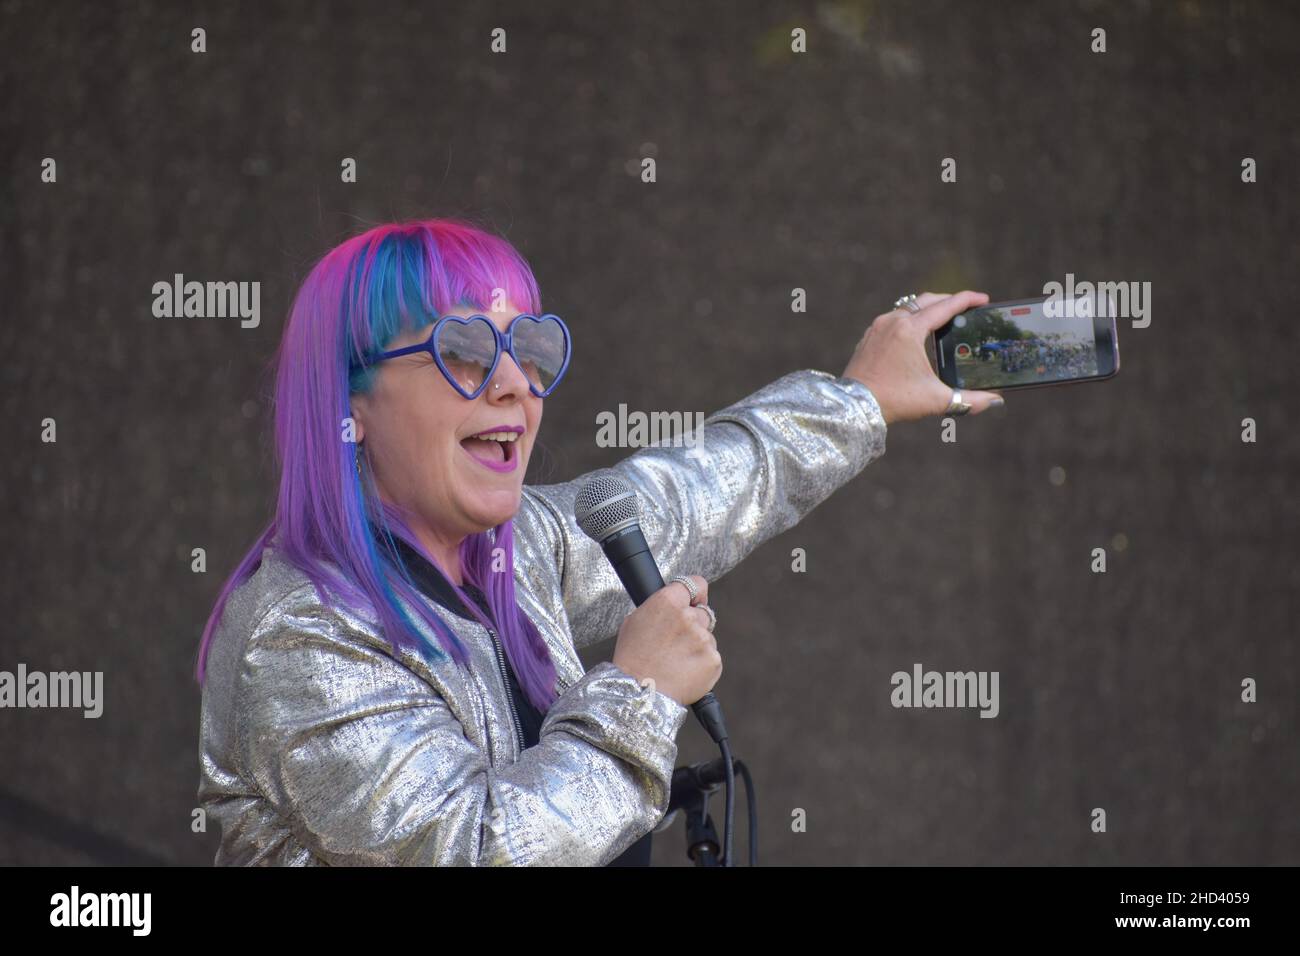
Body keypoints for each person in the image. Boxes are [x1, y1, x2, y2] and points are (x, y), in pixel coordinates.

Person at [193, 221, 1004, 866]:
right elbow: (481, 851)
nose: (514, 382)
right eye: (466, 350)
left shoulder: (522, 550)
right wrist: (640, 692)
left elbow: (703, 492)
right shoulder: (303, 635)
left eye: (529, 349)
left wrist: (859, 399)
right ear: (351, 400)